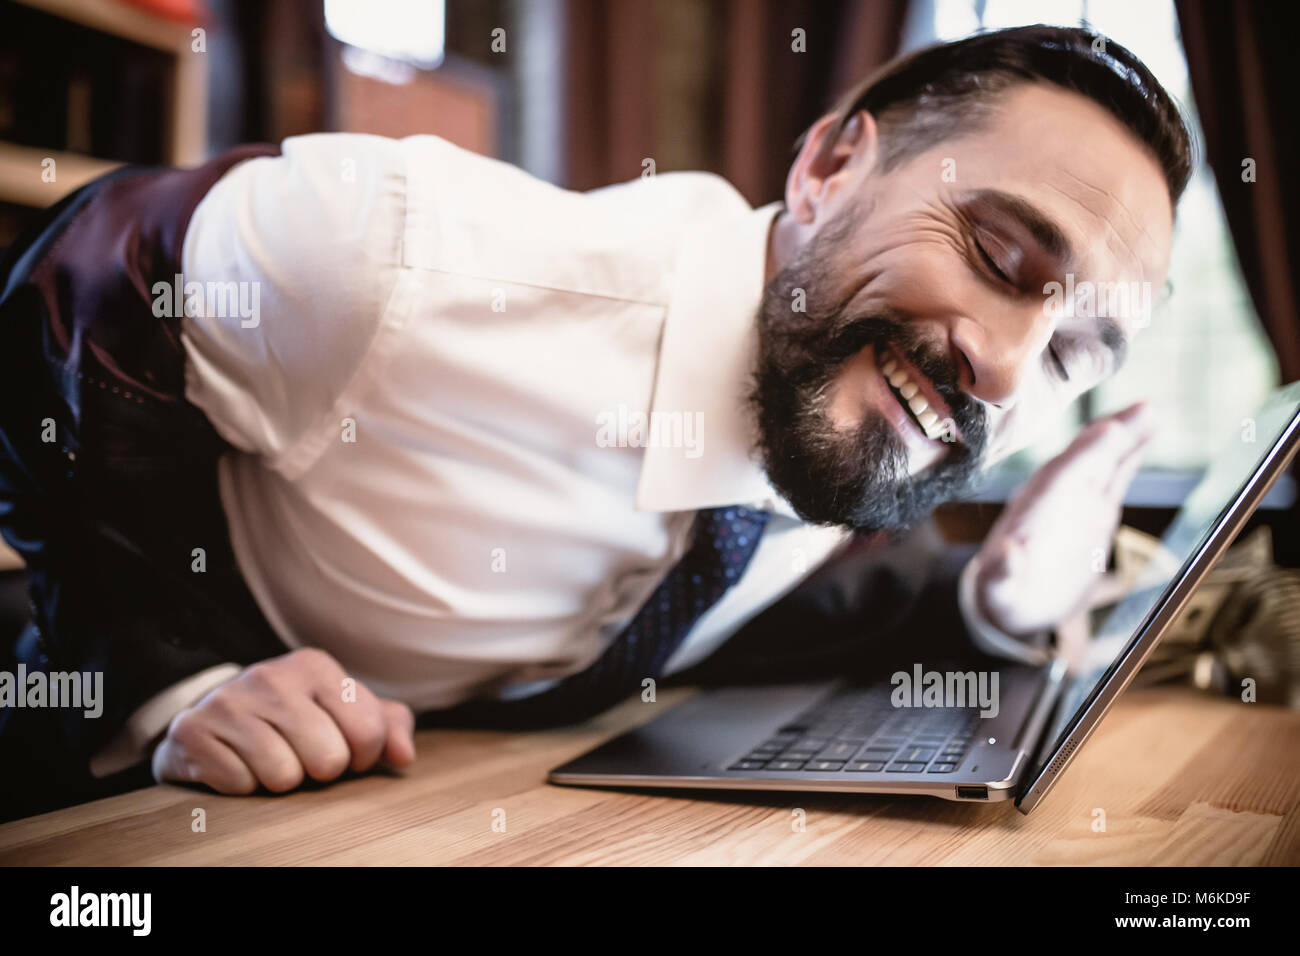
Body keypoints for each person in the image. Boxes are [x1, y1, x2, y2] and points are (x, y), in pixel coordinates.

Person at [0, 24, 1189, 810]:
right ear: (827, 170)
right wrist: (165, 671)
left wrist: (990, 600)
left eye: (1076, 348)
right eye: (995, 250)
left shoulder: (849, 400)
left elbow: (748, 613)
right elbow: (56, 300)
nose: (1007, 366)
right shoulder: (395, 258)